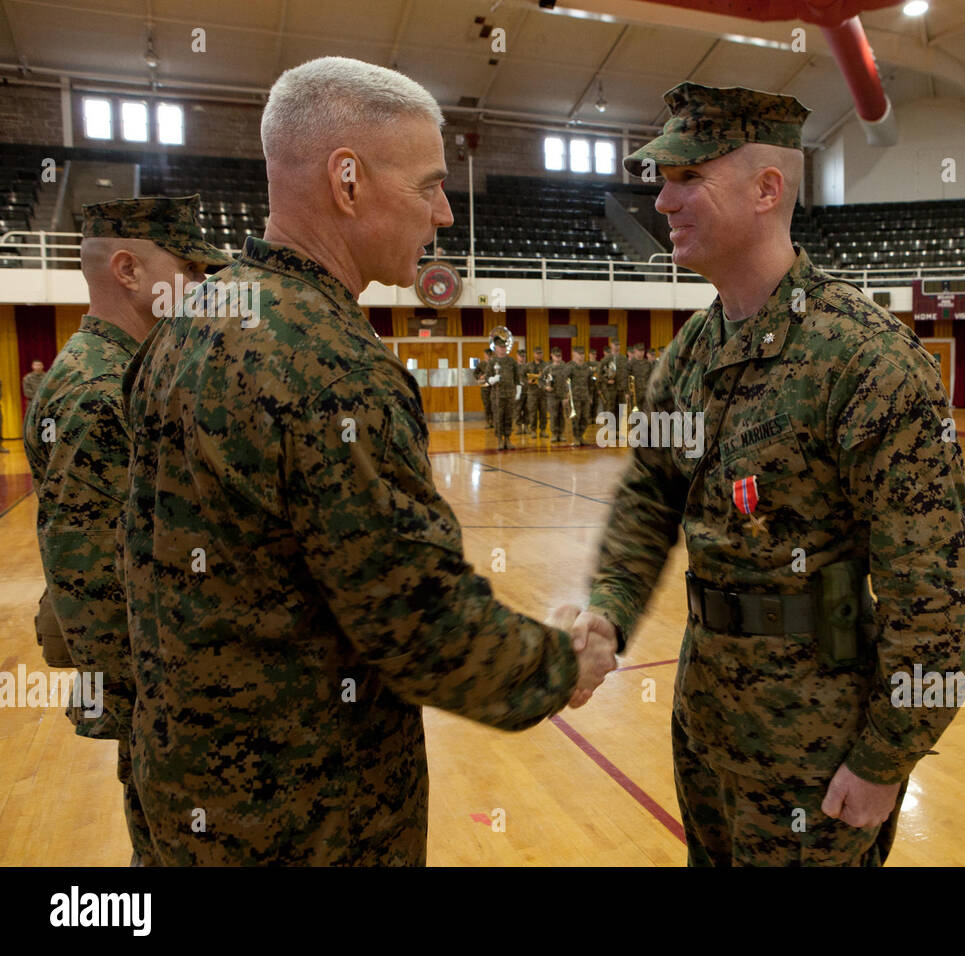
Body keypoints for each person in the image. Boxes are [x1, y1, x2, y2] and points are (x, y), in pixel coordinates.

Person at [119, 56, 616, 866]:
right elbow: (418, 623)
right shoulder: (333, 369)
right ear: (346, 181)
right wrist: (561, 664)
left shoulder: (188, 317)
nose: (446, 214)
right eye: (428, 186)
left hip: (182, 803)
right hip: (310, 825)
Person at [569, 82, 965, 866]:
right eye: (664, 179)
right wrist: (609, 614)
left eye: (688, 177)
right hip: (707, 714)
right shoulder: (690, 352)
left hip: (818, 744)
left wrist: (887, 756)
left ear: (766, 189)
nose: (664, 201)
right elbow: (651, 496)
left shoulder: (867, 361)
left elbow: (934, 595)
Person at [23, 195, 230, 865]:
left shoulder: (125, 373)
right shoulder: (98, 389)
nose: (201, 288)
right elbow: (84, 568)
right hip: (159, 698)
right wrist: (157, 710)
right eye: (190, 269)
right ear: (128, 271)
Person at [486, 329, 519, 450]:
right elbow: (488, 380)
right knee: (498, 418)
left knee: (509, 417)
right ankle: (500, 439)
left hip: (509, 395)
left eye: (504, 347)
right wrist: (494, 379)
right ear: (496, 348)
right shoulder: (492, 362)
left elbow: (517, 378)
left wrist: (518, 392)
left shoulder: (511, 361)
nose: (502, 349)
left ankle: (508, 439)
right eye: (500, 347)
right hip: (497, 395)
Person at [568, 344, 593, 446]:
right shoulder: (570, 366)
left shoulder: (586, 367)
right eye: (579, 354)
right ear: (574, 354)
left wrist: (590, 396)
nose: (581, 356)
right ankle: (576, 438)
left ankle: (581, 436)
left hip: (585, 396)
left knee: (585, 417)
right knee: (576, 418)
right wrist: (566, 395)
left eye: (583, 354)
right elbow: (564, 381)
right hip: (574, 397)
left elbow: (590, 383)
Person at [543, 345, 568, 444]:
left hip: (562, 395)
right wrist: (545, 387)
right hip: (552, 396)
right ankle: (554, 433)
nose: (558, 358)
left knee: (561, 415)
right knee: (553, 415)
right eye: (556, 356)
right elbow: (541, 380)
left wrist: (568, 394)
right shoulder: (548, 368)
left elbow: (569, 381)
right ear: (551, 356)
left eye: (559, 356)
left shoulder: (565, 367)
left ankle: (561, 433)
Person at [523, 345, 547, 437]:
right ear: (534, 354)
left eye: (541, 353)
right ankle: (533, 430)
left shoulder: (546, 365)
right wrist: (527, 381)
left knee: (543, 412)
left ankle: (543, 430)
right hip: (532, 393)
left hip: (543, 392)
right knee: (532, 412)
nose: (539, 355)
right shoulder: (528, 365)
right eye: (537, 353)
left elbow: (549, 376)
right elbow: (521, 376)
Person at [627, 342, 652, 412]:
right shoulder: (630, 363)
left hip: (646, 392)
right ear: (635, 351)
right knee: (636, 415)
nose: (641, 352)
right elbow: (627, 378)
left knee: (647, 413)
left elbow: (651, 377)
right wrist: (627, 392)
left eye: (643, 350)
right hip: (635, 393)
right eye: (639, 350)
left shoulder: (647, 363)